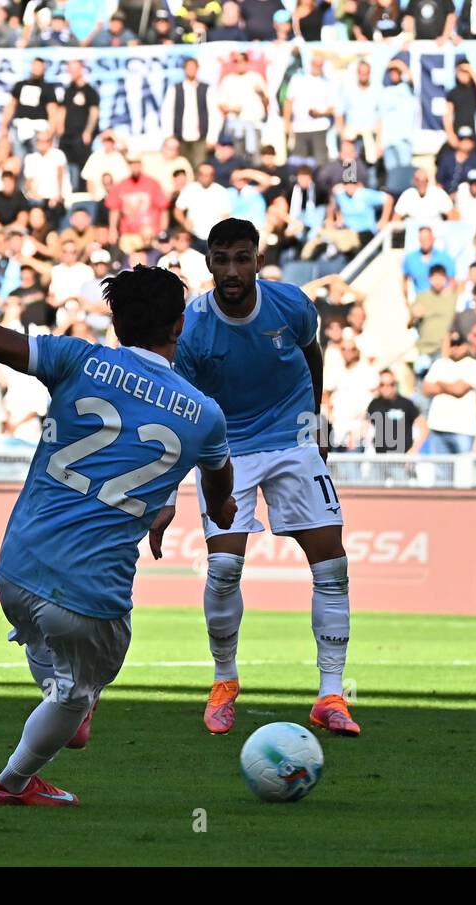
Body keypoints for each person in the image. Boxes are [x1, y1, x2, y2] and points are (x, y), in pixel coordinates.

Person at [0, 195, 236, 807]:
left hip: (15, 571)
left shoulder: (76, 358)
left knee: (56, 656)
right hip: (92, 599)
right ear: (180, 327)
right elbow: (222, 498)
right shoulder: (205, 415)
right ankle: (14, 782)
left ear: (118, 324)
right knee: (76, 692)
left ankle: (69, 699)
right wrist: (180, 505)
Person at [166, 217, 361, 737]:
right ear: (208, 263)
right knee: (225, 566)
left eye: (242, 258)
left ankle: (330, 694)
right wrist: (165, 493)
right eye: (222, 260)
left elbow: (311, 354)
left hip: (292, 442)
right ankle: (225, 681)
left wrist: (315, 420)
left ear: (257, 259)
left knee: (332, 565)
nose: (232, 270)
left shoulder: (293, 304)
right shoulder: (193, 329)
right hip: (227, 451)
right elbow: (182, 413)